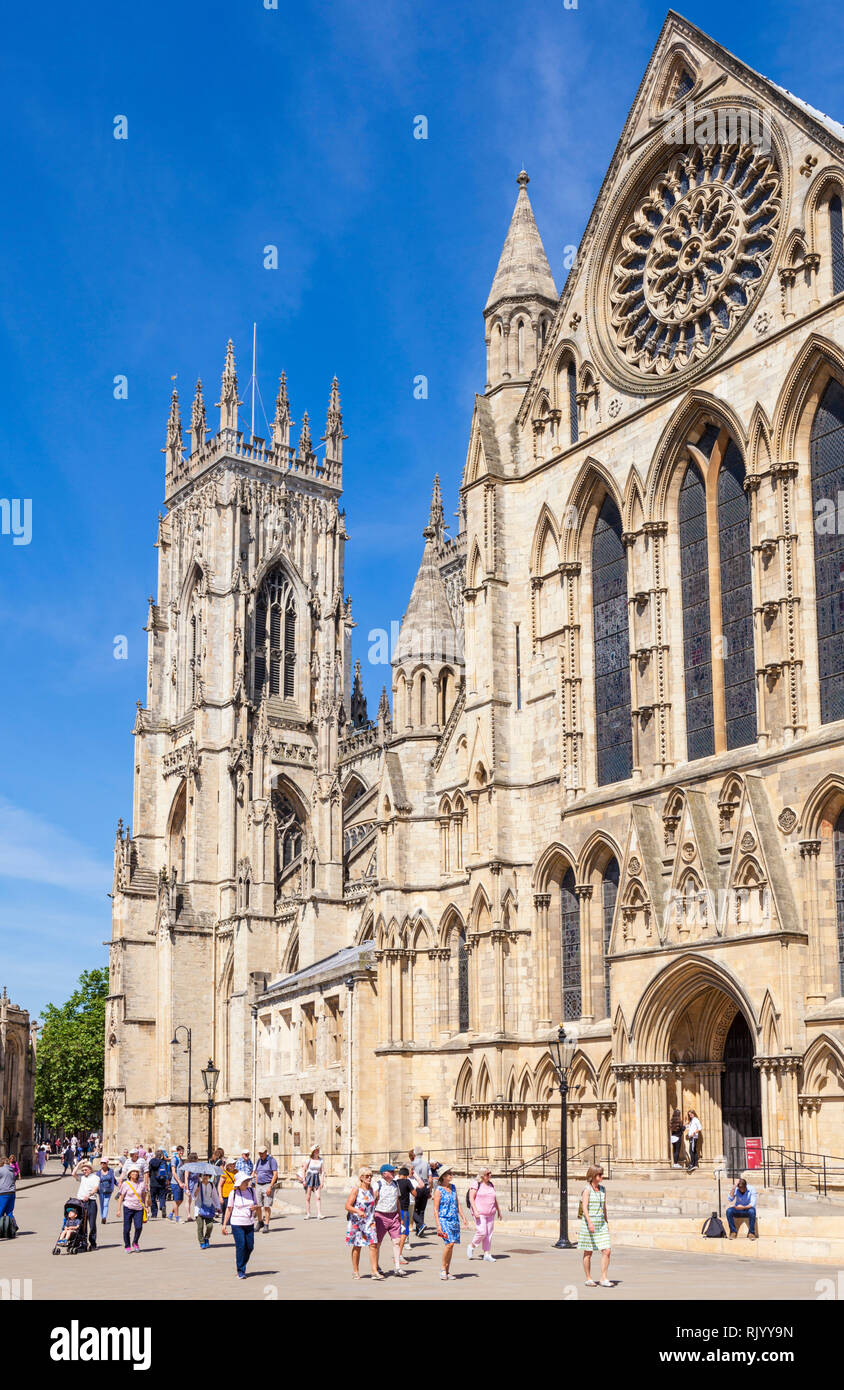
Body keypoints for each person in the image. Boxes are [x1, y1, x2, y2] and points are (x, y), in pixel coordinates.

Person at [433, 1165, 470, 1280]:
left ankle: (447, 1270)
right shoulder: (438, 1190)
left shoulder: (453, 1187)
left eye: (451, 1173)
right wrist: (438, 1225)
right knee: (449, 1243)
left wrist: (463, 1217)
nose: (451, 1175)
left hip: (454, 1219)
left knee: (452, 1245)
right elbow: (435, 1209)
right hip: (443, 1219)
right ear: (443, 1177)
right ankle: (443, 1269)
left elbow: (457, 1204)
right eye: (449, 1173)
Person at [578, 1164, 612, 1287]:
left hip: (601, 1223)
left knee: (607, 1250)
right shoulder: (587, 1190)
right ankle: (588, 1278)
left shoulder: (603, 1189)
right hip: (589, 1223)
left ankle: (603, 1278)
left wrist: (606, 1221)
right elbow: (585, 1208)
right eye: (600, 1174)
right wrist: (589, 1223)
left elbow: (604, 1206)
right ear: (593, 1176)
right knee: (588, 1252)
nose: (602, 1176)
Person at [345, 1167, 381, 1280]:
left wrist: (377, 1199)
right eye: (367, 1176)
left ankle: (374, 1271)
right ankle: (355, 1271)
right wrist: (358, 1211)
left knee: (373, 1245)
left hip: (370, 1222)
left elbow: (372, 1205)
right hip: (357, 1222)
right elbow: (347, 1206)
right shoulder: (356, 1190)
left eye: (371, 1175)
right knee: (358, 1246)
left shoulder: (371, 1190)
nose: (370, 1178)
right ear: (361, 1178)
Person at [222, 1171, 259, 1279]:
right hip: (237, 1223)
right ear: (239, 1182)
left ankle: (241, 1260)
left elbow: (257, 1204)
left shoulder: (252, 1191)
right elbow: (229, 1210)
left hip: (249, 1222)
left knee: (250, 1246)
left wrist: (255, 1207)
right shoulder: (233, 1193)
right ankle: (241, 1270)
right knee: (241, 1245)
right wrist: (224, 1225)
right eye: (244, 1181)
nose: (247, 1182)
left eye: (247, 1180)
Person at [372, 1164, 406, 1275]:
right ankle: (375, 1266)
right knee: (378, 1243)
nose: (394, 1173)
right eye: (391, 1171)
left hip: (394, 1216)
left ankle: (397, 1267)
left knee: (397, 1241)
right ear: (384, 1173)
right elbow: (373, 1201)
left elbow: (397, 1200)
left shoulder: (396, 1184)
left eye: (394, 1171)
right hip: (380, 1216)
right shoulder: (378, 1185)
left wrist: (400, 1216)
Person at [468, 1166, 501, 1261]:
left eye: (490, 1173)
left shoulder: (491, 1184)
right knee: (482, 1232)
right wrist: (475, 1211)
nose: (490, 1175)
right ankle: (472, 1245)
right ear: (482, 1175)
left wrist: (499, 1210)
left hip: (491, 1213)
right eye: (487, 1173)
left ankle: (486, 1254)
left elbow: (494, 1198)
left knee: (489, 1233)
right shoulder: (476, 1184)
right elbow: (471, 1198)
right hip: (479, 1212)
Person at [116, 1163, 148, 1253]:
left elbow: (144, 1195)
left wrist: (146, 1206)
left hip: (139, 1208)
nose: (135, 1173)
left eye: (136, 1172)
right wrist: (118, 1210)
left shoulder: (141, 1183)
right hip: (128, 1207)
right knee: (127, 1228)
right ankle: (127, 1245)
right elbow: (121, 1197)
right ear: (129, 1174)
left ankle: (135, 1242)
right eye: (133, 1172)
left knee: (139, 1227)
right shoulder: (125, 1184)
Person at [72, 1159, 100, 1251]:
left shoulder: (96, 1178)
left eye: (86, 1170)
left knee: (92, 1224)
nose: (84, 1172)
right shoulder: (82, 1178)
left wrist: (89, 1195)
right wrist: (80, 1163)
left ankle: (93, 1243)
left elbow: (95, 1188)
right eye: (83, 1170)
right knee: (82, 1224)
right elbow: (73, 1173)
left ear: (90, 1170)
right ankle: (83, 1243)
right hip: (81, 1202)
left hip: (90, 1202)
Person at [254, 1143, 279, 1233]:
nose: (260, 1155)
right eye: (259, 1153)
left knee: (266, 1206)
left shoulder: (271, 1160)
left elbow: (275, 1174)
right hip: (259, 1185)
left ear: (266, 1152)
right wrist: (255, 1184)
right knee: (257, 1205)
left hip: (267, 1184)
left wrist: (270, 1186)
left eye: (262, 1153)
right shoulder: (258, 1161)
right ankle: (260, 1221)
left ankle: (266, 1224)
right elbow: (256, 1172)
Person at [194, 1174, 221, 1248]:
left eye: (207, 1175)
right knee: (200, 1226)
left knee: (210, 1226)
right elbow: (193, 1197)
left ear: (209, 1176)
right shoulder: (197, 1184)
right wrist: (197, 1191)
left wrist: (218, 1206)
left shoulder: (211, 1185)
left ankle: (206, 1238)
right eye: (203, 1175)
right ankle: (202, 1242)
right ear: (201, 1176)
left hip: (209, 1208)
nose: (205, 1177)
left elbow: (215, 1196)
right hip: (199, 1209)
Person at [411, 1148, 432, 1235]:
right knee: (421, 1209)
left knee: (412, 1209)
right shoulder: (426, 1164)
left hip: (416, 1187)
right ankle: (420, 1229)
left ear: (414, 1154)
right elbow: (430, 1178)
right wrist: (430, 1190)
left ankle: (420, 1225)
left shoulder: (412, 1164)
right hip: (426, 1186)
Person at [396, 1166, 416, 1255]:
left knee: (396, 1231)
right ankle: (399, 1253)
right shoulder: (407, 1181)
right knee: (404, 1231)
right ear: (406, 1175)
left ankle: (396, 1251)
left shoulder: (395, 1182)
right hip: (404, 1209)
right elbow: (414, 1193)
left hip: (395, 1210)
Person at [301, 1146, 325, 1219]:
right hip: (309, 1177)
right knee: (308, 1197)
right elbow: (304, 1169)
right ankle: (308, 1214)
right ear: (313, 1152)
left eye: (318, 1150)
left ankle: (319, 1214)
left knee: (318, 1197)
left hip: (316, 1177)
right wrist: (304, 1180)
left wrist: (322, 1181)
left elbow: (323, 1171)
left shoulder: (321, 1160)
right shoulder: (309, 1160)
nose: (317, 1152)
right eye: (316, 1150)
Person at [147, 1149, 170, 1218]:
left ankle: (154, 1213)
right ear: (161, 1155)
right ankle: (162, 1206)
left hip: (153, 1182)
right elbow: (166, 1172)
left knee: (153, 1198)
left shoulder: (151, 1161)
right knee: (162, 1197)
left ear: (155, 1155)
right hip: (161, 1182)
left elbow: (149, 1172)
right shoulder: (163, 1162)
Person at [97, 1159, 116, 1224]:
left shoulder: (111, 1171)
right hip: (101, 1191)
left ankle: (104, 1217)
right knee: (102, 1204)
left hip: (108, 1190)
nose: (103, 1164)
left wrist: (119, 1185)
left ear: (107, 1163)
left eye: (104, 1163)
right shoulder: (98, 1172)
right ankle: (102, 1216)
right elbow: (96, 1181)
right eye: (101, 1163)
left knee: (106, 1204)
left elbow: (113, 1179)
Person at [169, 1149, 186, 1221]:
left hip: (181, 1182)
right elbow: (173, 1172)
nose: (181, 1152)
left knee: (181, 1200)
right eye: (180, 1151)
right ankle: (177, 1217)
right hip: (175, 1182)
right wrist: (179, 1182)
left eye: (182, 1151)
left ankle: (171, 1213)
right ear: (177, 1151)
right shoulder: (174, 1159)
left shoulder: (181, 1160)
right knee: (176, 1200)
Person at [0, 1156, 16, 1224]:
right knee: (9, 1212)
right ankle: (13, 1228)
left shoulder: (1, 1169)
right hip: (12, 1193)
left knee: (0, 1211)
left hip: (3, 1193)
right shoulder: (11, 1170)